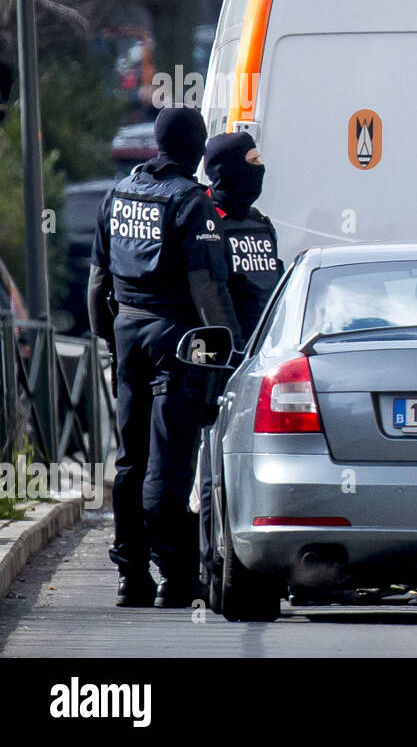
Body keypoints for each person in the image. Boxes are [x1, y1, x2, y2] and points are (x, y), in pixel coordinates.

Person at [88, 106, 242, 608]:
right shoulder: (192, 204)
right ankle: (176, 574)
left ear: (157, 143)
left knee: (130, 458)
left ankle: (131, 575)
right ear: (197, 150)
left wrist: (111, 344)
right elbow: (208, 290)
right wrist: (229, 351)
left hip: (127, 332)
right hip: (178, 341)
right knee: (170, 460)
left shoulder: (119, 193)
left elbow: (97, 283)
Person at [196, 131, 283, 593]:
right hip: (221, 362)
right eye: (252, 161)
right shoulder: (205, 221)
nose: (260, 168)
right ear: (227, 168)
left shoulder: (260, 224)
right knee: (214, 466)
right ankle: (211, 568)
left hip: (261, 360)